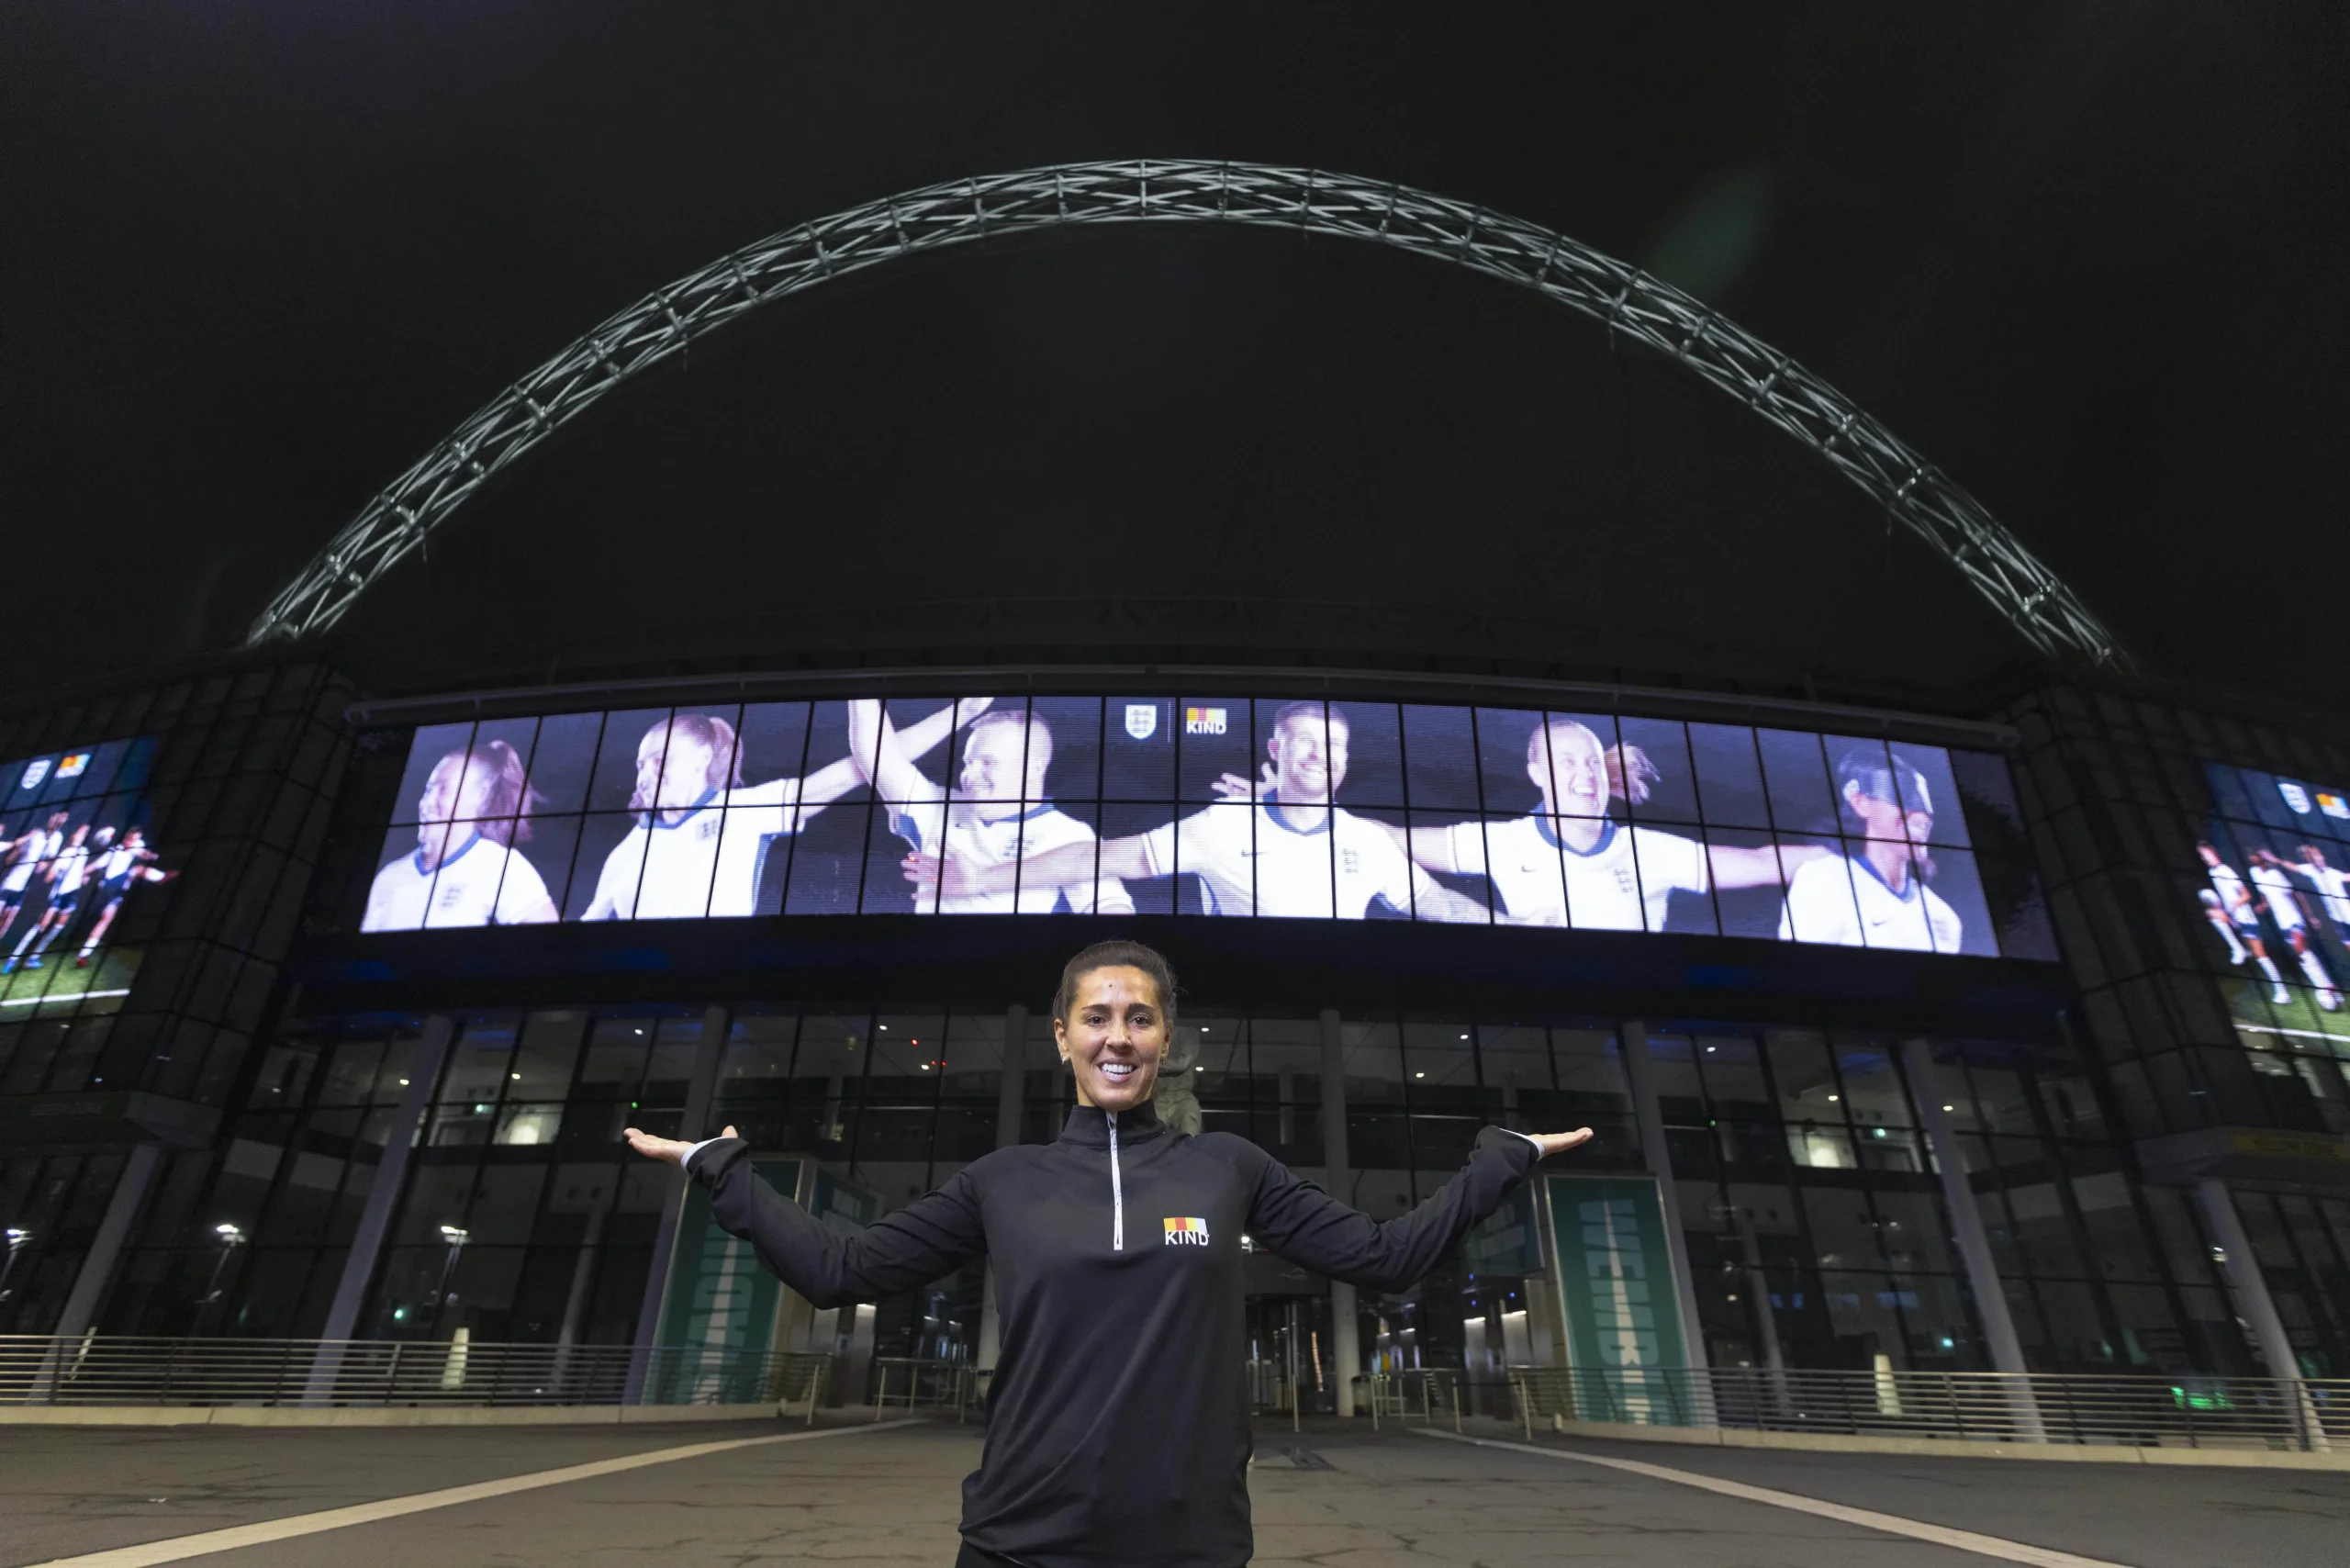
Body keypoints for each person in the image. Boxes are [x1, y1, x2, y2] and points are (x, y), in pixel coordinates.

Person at [625, 939, 1592, 1568]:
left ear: (1166, 1038)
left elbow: (1384, 1257)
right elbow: (841, 1270)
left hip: (1189, 1545)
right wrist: (724, 1169)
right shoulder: (1002, 1179)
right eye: (1096, 1016)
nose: (1117, 1036)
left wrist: (1497, 1164)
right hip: (1018, 1540)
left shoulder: (1230, 1166)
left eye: (1138, 1017)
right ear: (1061, 1036)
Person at [913, 701, 1490, 921]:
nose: (1321, 755)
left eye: (1333, 745)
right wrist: (981, 880)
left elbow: (1432, 899)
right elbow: (1099, 856)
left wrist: (1499, 926)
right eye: (1307, 741)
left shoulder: (1365, 837)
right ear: (1277, 749)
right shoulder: (1222, 824)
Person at [1356, 715, 1827, 930]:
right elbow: (1393, 840)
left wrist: (1852, 852)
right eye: (1566, 763)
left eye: (1592, 763)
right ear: (1537, 773)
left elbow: (1762, 862)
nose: (1585, 775)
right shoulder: (1501, 841)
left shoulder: (1650, 851)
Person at [582, 700, 988, 921]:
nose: (646, 771)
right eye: (640, 763)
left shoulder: (745, 809)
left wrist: (963, 713)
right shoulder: (625, 854)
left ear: (702, 756)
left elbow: (868, 765)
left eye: (659, 757)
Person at [847, 698, 1133, 914]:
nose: (969, 776)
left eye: (987, 763)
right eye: (968, 763)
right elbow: (875, 755)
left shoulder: (1068, 835)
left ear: (1033, 767)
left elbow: (1112, 912)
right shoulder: (938, 808)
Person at [362, 740, 560, 931]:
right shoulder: (389, 877)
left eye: (444, 789)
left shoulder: (501, 866)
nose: (427, 803)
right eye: (429, 789)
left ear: (480, 795)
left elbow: (550, 944)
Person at [1778, 748, 1963, 952]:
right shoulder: (1826, 881)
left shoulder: (1943, 918)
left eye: (1925, 809)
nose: (1923, 817)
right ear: (1861, 804)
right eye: (1902, 796)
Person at [2247, 847, 2340, 1010]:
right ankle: (2327, 987)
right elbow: (2265, 893)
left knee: (2300, 948)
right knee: (2302, 954)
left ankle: (2326, 990)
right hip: (2281, 920)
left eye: (2258, 856)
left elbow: (2297, 895)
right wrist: (2263, 905)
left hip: (2294, 918)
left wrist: (2310, 916)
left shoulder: (2276, 874)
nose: (2254, 859)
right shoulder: (2254, 873)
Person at [73, 826, 177, 967]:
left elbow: (141, 851)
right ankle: (161, 878)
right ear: (126, 839)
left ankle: (83, 955)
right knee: (136, 870)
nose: (135, 843)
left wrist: (148, 854)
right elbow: (95, 865)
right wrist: (79, 875)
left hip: (117, 890)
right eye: (133, 840)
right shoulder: (114, 851)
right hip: (109, 884)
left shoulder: (135, 847)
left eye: (137, 840)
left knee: (106, 919)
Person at [2200, 841, 2288, 1003]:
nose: (2207, 858)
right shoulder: (2213, 873)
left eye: (2208, 854)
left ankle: (2282, 991)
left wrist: (2234, 904)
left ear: (2215, 853)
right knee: (2211, 912)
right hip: (2233, 917)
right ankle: (2238, 949)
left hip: (2245, 917)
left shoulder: (2225, 870)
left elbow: (2246, 895)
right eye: (2203, 856)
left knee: (2261, 956)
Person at [4, 822, 89, 972]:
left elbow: (79, 872)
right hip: (58, 893)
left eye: (85, 833)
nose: (81, 835)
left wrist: (82, 877)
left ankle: (34, 958)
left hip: (72, 894)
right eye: (80, 832)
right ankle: (13, 959)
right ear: (73, 835)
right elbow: (49, 877)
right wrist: (53, 872)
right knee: (41, 926)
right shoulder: (65, 854)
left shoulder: (84, 852)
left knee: (59, 926)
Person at [2286, 844, 2350, 956]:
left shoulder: (2333, 873)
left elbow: (2347, 877)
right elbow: (2293, 867)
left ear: (2321, 855)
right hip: (2337, 919)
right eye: (2308, 855)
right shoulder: (2310, 870)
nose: (2312, 856)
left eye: (2314, 853)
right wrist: (2275, 860)